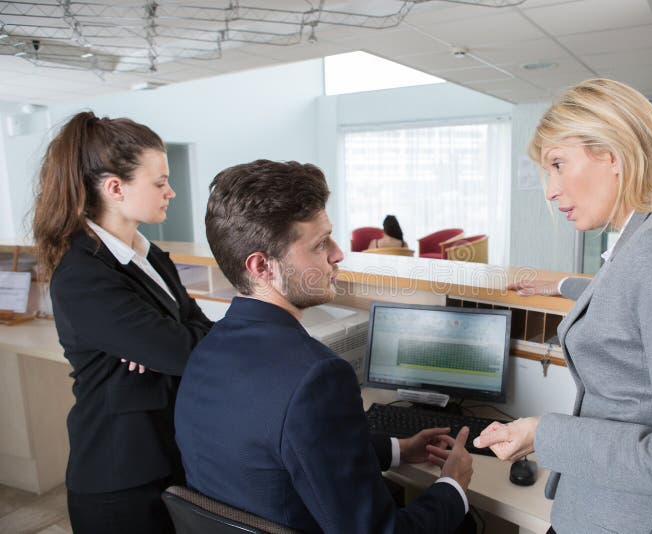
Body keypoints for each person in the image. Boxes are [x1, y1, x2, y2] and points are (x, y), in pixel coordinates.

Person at [474, 79, 652, 534]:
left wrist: (543, 434)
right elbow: (635, 299)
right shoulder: (649, 237)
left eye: (558, 164)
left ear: (613, 153)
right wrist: (564, 283)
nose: (550, 189)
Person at [175, 160, 474, 533]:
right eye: (320, 244)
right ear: (262, 267)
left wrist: (397, 449)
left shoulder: (206, 351)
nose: (338, 253)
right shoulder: (318, 376)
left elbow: (285, 453)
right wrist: (453, 487)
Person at [32, 111, 214, 534]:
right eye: (159, 182)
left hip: (167, 457)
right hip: (120, 478)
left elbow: (195, 331)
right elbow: (183, 351)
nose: (171, 191)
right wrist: (167, 342)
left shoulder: (150, 256)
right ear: (115, 188)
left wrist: (160, 342)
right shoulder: (83, 275)